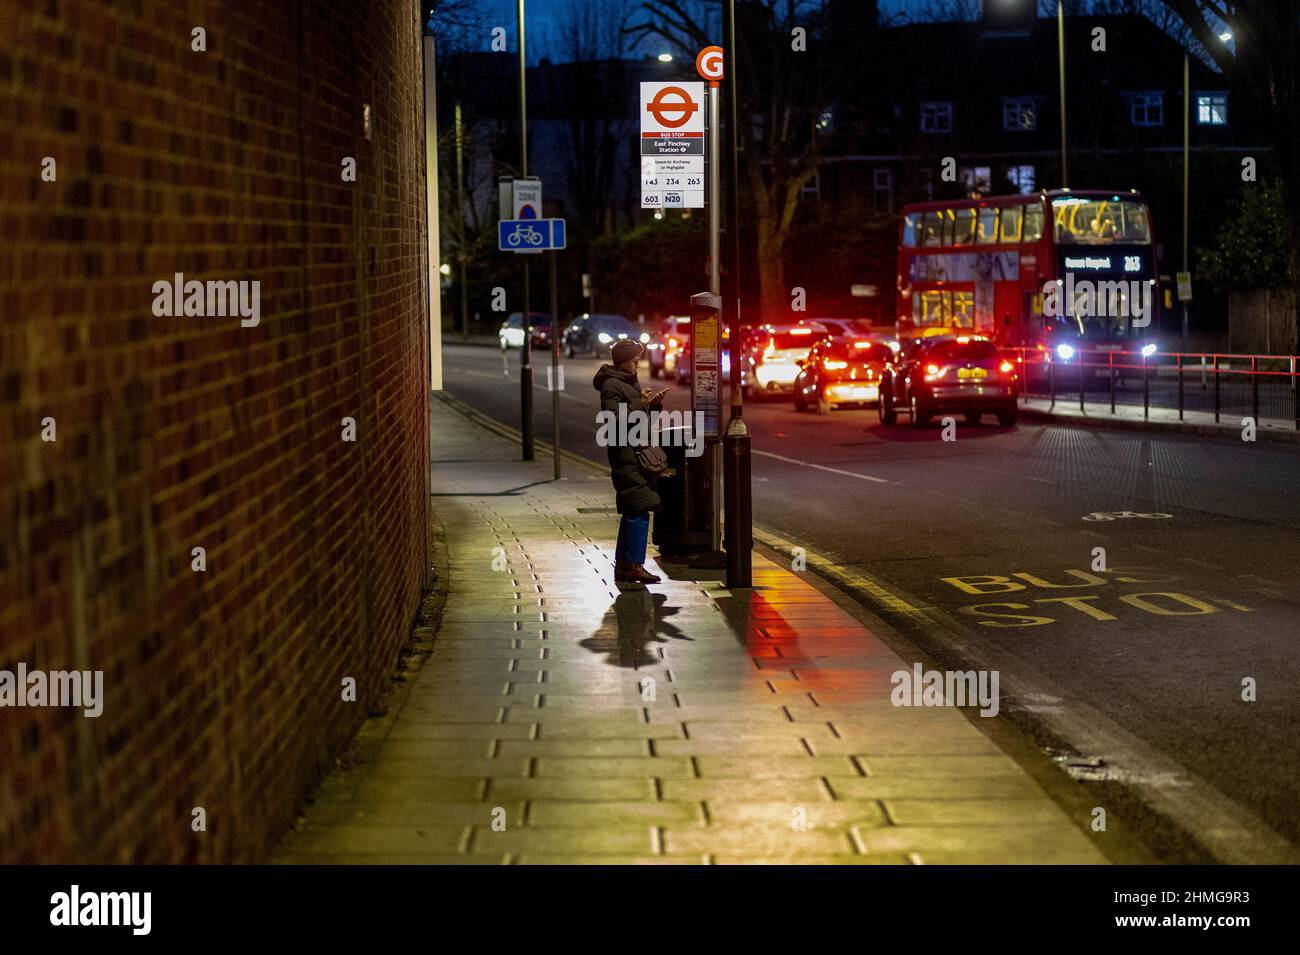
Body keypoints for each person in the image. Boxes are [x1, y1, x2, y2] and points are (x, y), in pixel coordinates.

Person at [593, 339, 668, 584]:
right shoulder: (612, 385)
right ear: (624, 361)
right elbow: (611, 419)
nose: (638, 363)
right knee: (639, 509)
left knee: (632, 510)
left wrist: (652, 406)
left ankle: (624, 565)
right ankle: (634, 564)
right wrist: (640, 404)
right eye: (635, 360)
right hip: (626, 455)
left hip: (635, 452)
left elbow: (637, 419)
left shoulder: (627, 382)